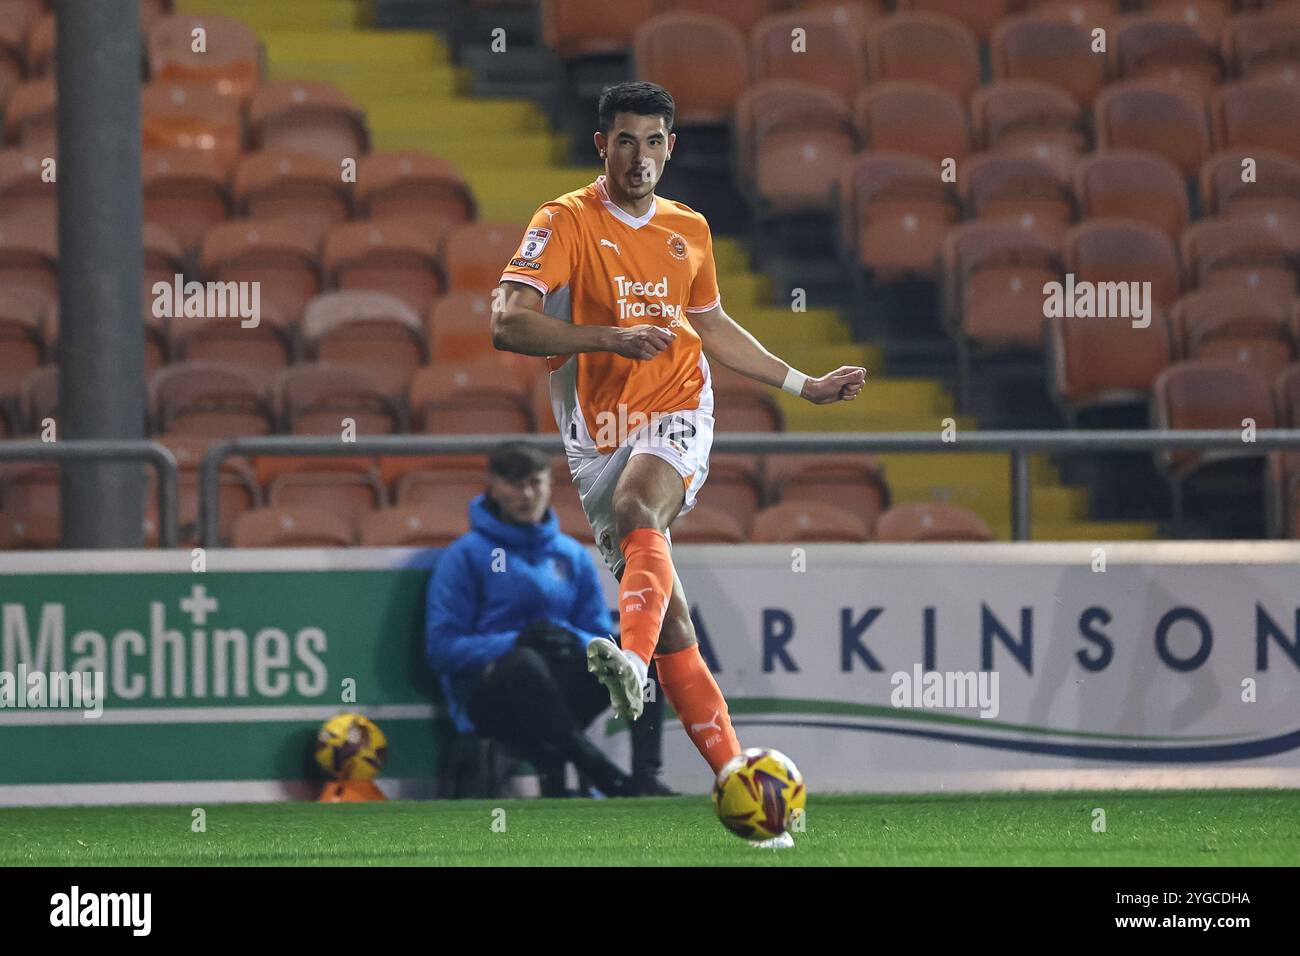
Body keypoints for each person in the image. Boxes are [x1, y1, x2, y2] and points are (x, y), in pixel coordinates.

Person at [491, 81, 865, 839]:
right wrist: (607, 338)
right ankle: (741, 785)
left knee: (641, 508)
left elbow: (713, 326)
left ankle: (628, 663)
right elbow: (507, 324)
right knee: (675, 625)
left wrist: (805, 384)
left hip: (677, 405)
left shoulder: (688, 228)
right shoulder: (563, 221)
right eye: (624, 141)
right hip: (596, 437)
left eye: (654, 141)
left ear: (670, 147)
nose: (640, 157)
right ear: (603, 146)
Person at [424, 441, 673, 797]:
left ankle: (645, 775)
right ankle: (601, 772)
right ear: (492, 485)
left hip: (563, 692)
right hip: (495, 701)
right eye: (514, 484)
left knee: (641, 656)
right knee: (523, 663)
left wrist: (572, 638)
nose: (527, 494)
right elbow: (443, 649)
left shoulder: (570, 554)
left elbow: (598, 635)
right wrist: (515, 640)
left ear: (549, 485)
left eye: (535, 483)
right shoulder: (464, 557)